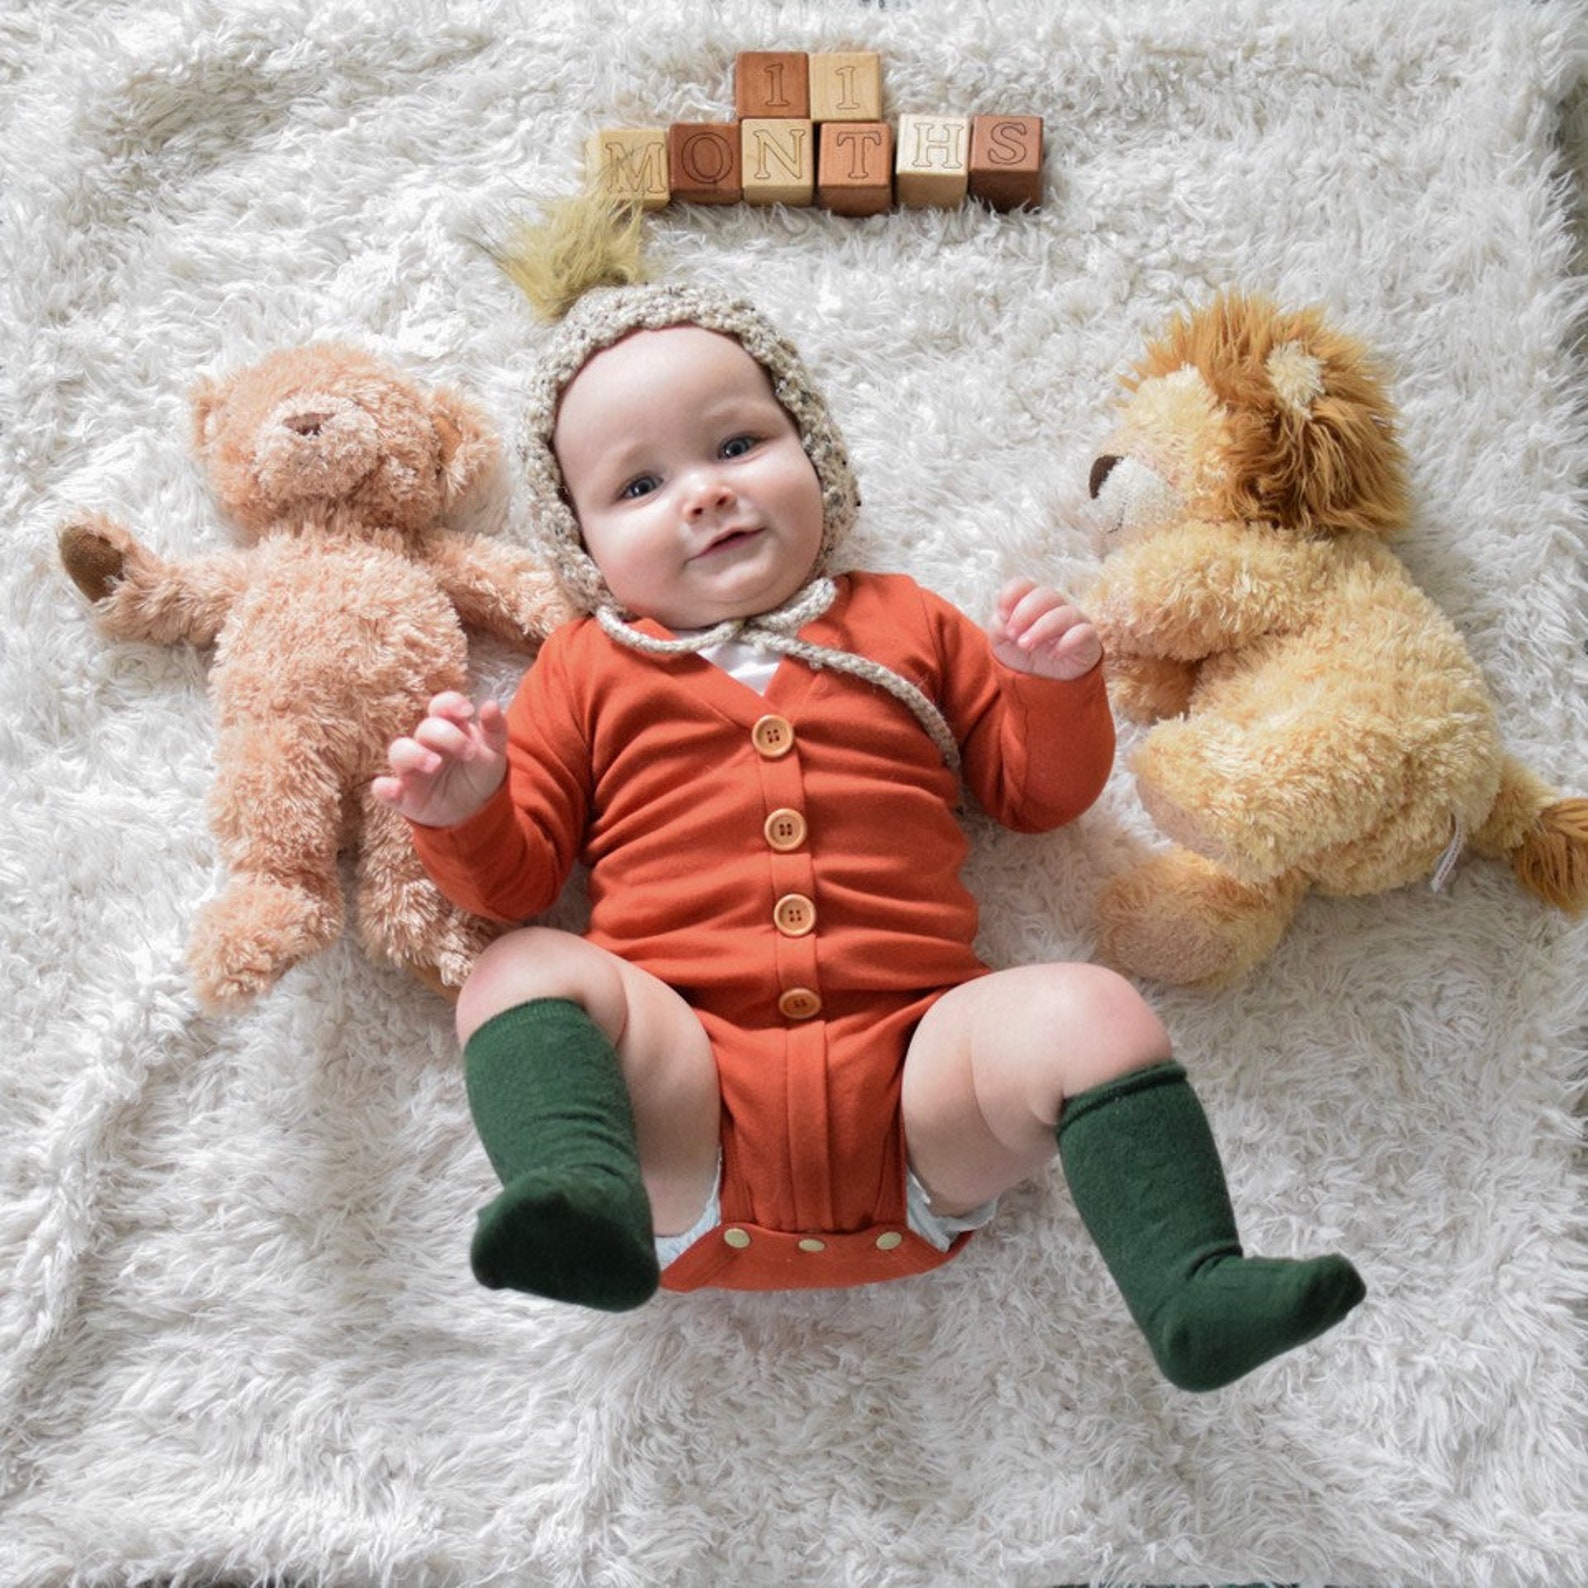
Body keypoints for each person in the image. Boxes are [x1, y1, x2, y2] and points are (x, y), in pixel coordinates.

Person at [375, 218, 1364, 1392]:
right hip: (689, 1117)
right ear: (582, 543)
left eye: (738, 443)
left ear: (816, 455)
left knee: (1092, 1011)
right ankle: (583, 1191)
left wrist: (1054, 691)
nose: (704, 495)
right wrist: (467, 805)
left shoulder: (905, 622)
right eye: (639, 484)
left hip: (917, 1099)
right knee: (519, 972)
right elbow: (518, 881)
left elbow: (1032, 799)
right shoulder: (587, 667)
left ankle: (1188, 1282)